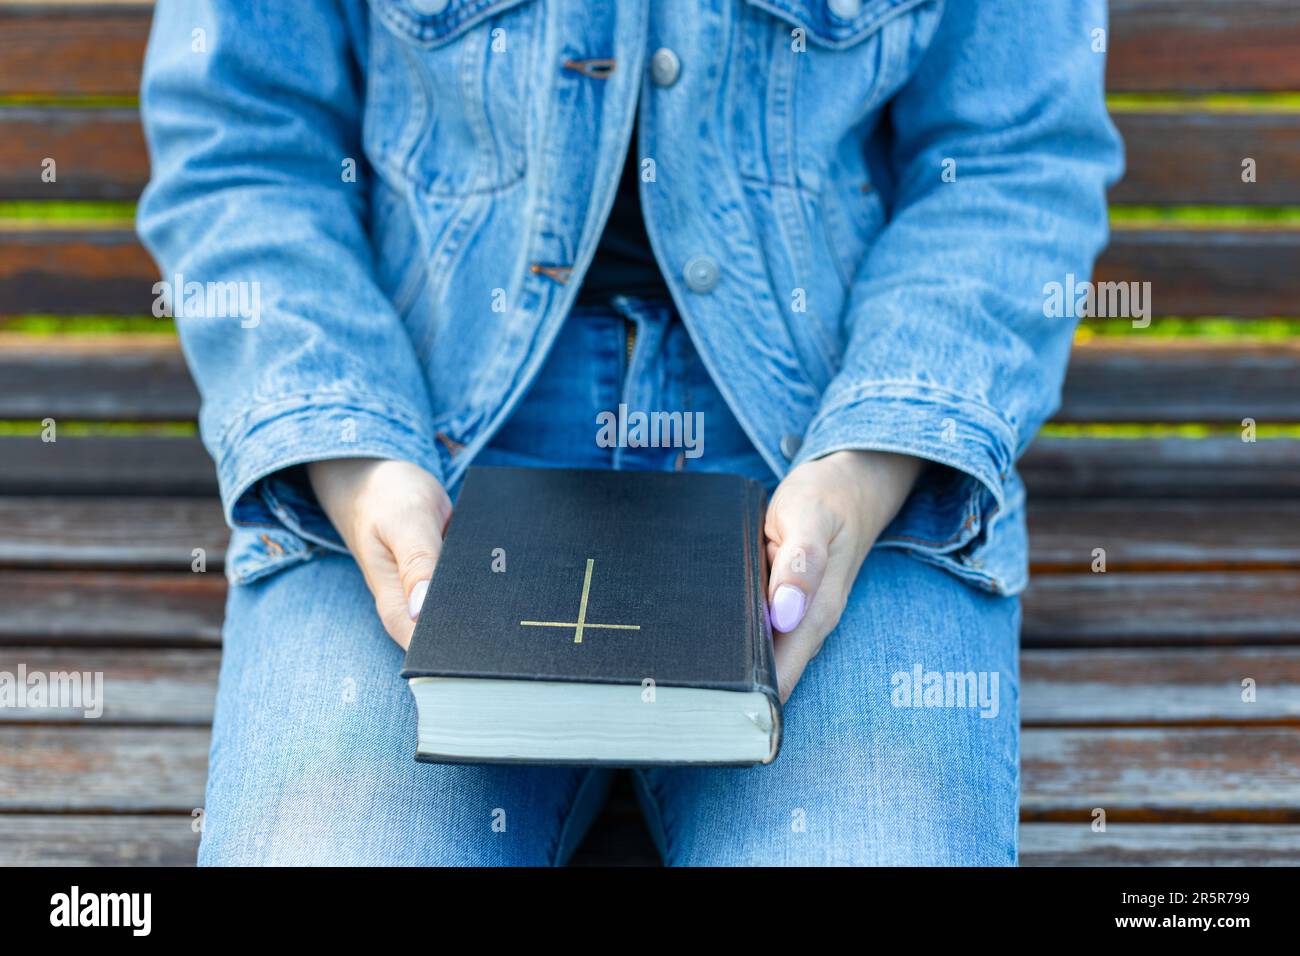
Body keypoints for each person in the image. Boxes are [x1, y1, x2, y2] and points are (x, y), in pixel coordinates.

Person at [137, 0, 1122, 865]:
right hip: (425, 441)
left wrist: (865, 466)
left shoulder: (854, 461)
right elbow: (244, 140)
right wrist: (355, 454)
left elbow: (1008, 159)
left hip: (825, 440)